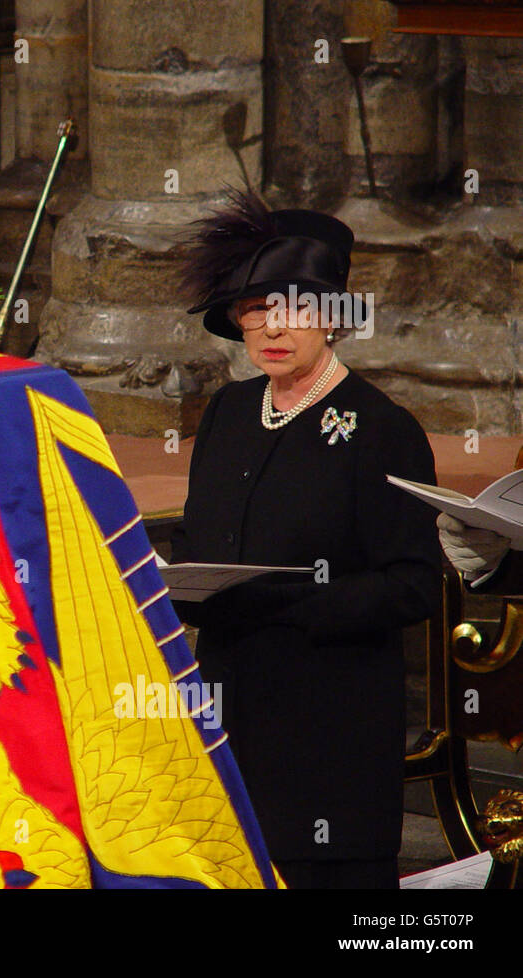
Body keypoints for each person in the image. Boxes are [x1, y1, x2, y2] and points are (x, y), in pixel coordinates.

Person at [168, 190, 443, 889]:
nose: (271, 328)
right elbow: (204, 542)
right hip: (233, 714)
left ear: (334, 322)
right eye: (255, 311)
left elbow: (412, 584)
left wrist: (291, 603)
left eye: (293, 309)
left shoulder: (381, 428)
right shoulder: (228, 412)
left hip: (331, 727)